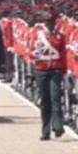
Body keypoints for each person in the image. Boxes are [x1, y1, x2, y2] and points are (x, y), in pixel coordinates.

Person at [29, 10, 66, 140]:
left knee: (55, 98)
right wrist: (37, 54)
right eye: (48, 21)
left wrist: (63, 70)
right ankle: (45, 131)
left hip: (55, 70)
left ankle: (58, 126)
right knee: (45, 101)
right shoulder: (37, 35)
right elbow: (31, 51)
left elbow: (63, 54)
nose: (50, 24)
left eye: (52, 21)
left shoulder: (60, 35)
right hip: (42, 70)